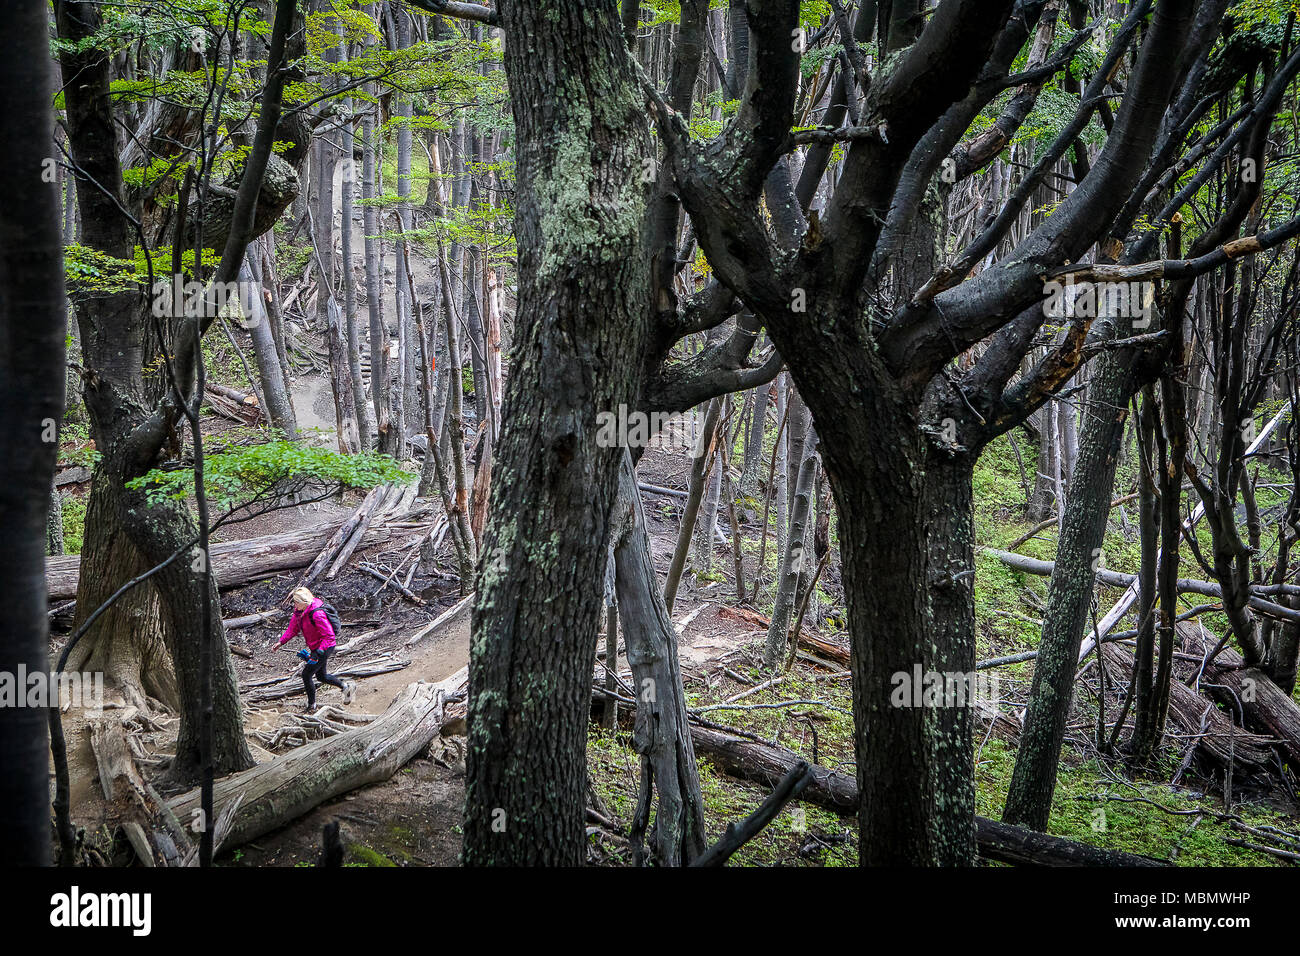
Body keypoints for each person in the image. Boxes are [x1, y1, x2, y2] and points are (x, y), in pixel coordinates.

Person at [275, 586, 355, 711]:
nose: (294, 605)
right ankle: (345, 687)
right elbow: (293, 629)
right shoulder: (299, 612)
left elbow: (329, 636)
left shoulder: (317, 614)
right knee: (321, 676)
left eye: (296, 602)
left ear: (303, 602)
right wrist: (281, 642)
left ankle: (312, 706)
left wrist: (318, 653)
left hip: (325, 646)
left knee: (306, 674)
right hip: (316, 646)